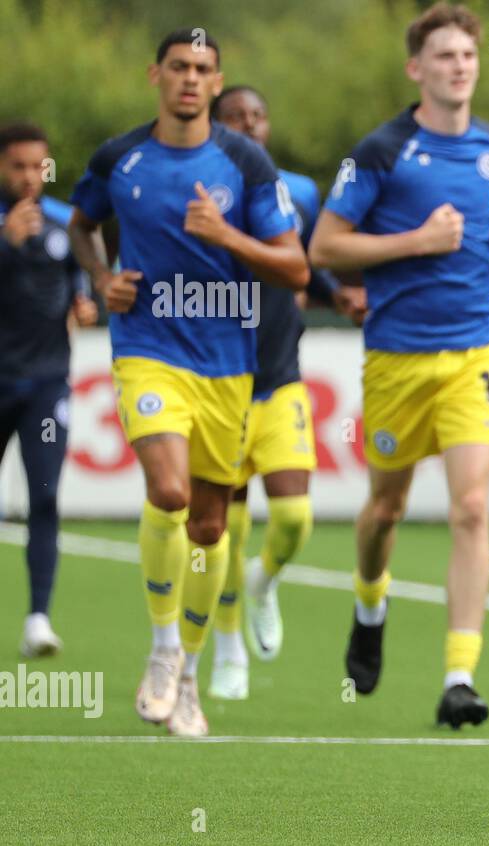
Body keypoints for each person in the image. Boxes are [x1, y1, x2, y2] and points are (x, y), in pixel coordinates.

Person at [67, 29, 308, 736]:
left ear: (216, 78)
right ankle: (164, 648)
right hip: (147, 346)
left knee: (209, 524)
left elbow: (294, 270)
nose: (190, 79)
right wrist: (101, 277)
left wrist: (224, 235)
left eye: (203, 69)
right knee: (167, 492)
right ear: (157, 75)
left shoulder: (246, 162)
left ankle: (193, 676)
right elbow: (82, 226)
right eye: (179, 67)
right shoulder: (119, 158)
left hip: (228, 364)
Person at [310, 2, 489, 728]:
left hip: (479, 347)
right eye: (444, 56)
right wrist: (415, 243)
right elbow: (325, 248)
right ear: (416, 68)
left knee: (470, 507)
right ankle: (370, 604)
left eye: (468, 54)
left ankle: (459, 676)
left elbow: (486, 211)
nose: (459, 65)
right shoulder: (380, 150)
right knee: (384, 511)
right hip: (398, 353)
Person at [204, 85, 367, 700]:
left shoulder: (294, 190)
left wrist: (336, 292)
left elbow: (300, 260)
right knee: (225, 528)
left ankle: (264, 583)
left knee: (294, 518)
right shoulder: (200, 190)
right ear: (217, 126)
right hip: (218, 384)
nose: (249, 124)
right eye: (236, 116)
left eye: (257, 114)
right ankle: (227, 652)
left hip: (279, 379)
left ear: (268, 124)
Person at [0, 123, 100, 657]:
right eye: (17, 165)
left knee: (44, 498)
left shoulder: (64, 223)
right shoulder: (7, 226)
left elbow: (79, 284)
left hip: (44, 387)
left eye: (38, 166)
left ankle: (38, 618)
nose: (28, 177)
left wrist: (84, 305)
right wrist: (6, 246)